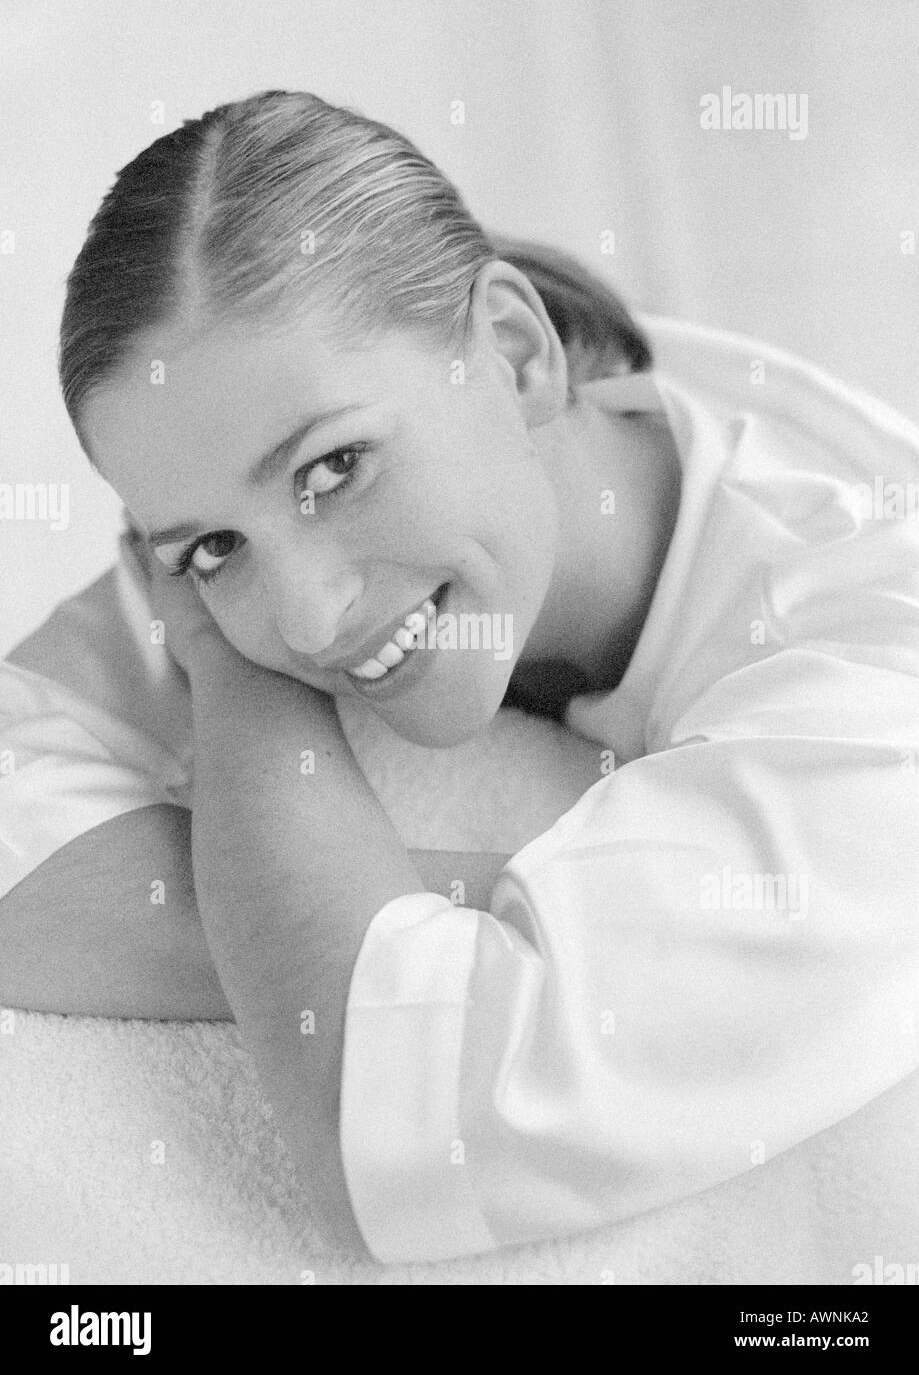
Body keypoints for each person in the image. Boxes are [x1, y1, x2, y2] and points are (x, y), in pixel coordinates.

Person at [2, 89, 918, 1264]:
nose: (307, 613)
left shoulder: (873, 683)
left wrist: (340, 926)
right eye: (211, 547)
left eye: (333, 469)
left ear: (517, 355)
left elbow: (411, 1129)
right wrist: (244, 696)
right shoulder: (293, 524)